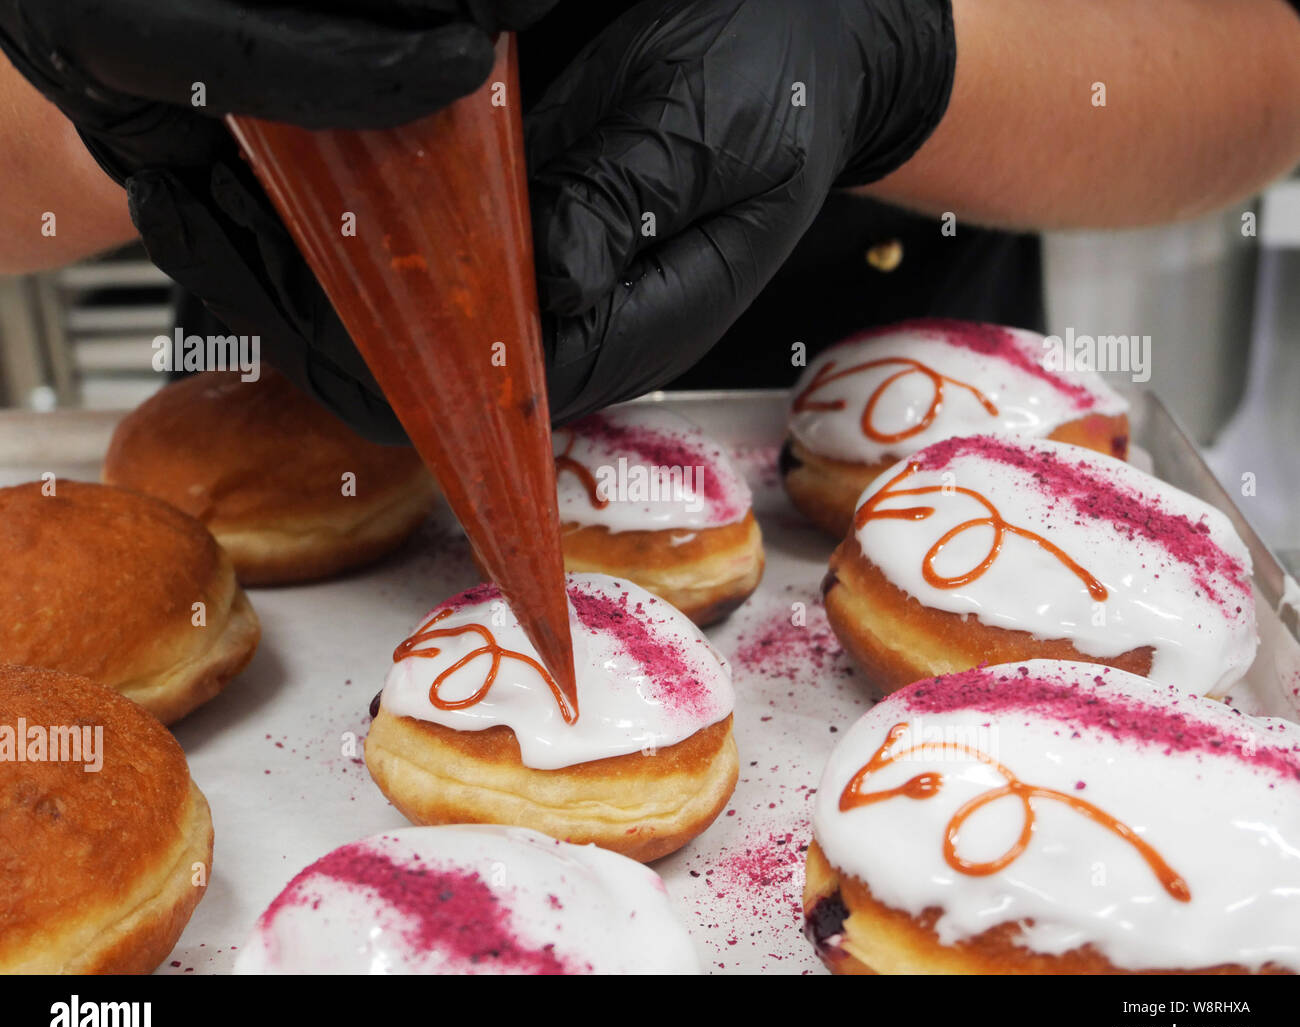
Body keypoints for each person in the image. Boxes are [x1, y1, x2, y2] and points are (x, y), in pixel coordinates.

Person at [1, 0, 1298, 443]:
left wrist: (887, 53)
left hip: (903, 442)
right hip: (285, 408)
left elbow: (1262, 59)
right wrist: (110, 100)